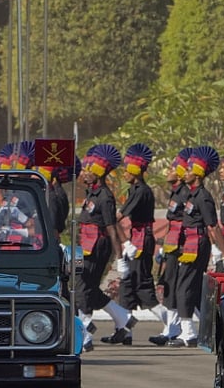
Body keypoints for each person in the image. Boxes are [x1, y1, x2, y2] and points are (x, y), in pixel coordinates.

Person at [76, 144, 136, 351]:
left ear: (99, 173)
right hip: (85, 246)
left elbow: (111, 227)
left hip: (97, 247)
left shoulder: (105, 196)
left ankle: (84, 332)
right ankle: (122, 317)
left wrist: (120, 257)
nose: (85, 173)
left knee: (83, 287)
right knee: (85, 287)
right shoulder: (92, 193)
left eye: (89, 170)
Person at [169, 146, 224, 348]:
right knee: (187, 286)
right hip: (189, 244)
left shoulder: (203, 196)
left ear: (199, 173)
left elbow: (212, 225)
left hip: (197, 245)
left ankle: (189, 333)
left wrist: (221, 252)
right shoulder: (192, 195)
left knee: (185, 286)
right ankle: (201, 328)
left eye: (190, 169)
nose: (185, 172)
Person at [106, 143, 160, 345]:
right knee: (127, 286)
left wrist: (121, 238)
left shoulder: (141, 191)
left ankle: (172, 325)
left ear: (136, 171)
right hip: (135, 237)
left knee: (142, 285)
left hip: (141, 240)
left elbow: (118, 217)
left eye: (128, 170)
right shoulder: (134, 190)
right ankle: (124, 331)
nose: (125, 174)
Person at [149, 149, 191, 347]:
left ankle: (176, 329)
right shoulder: (176, 192)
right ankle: (172, 328)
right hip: (171, 244)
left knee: (175, 285)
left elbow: (186, 222)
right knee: (169, 284)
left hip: (180, 246)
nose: (168, 171)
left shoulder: (185, 194)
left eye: (173, 169)